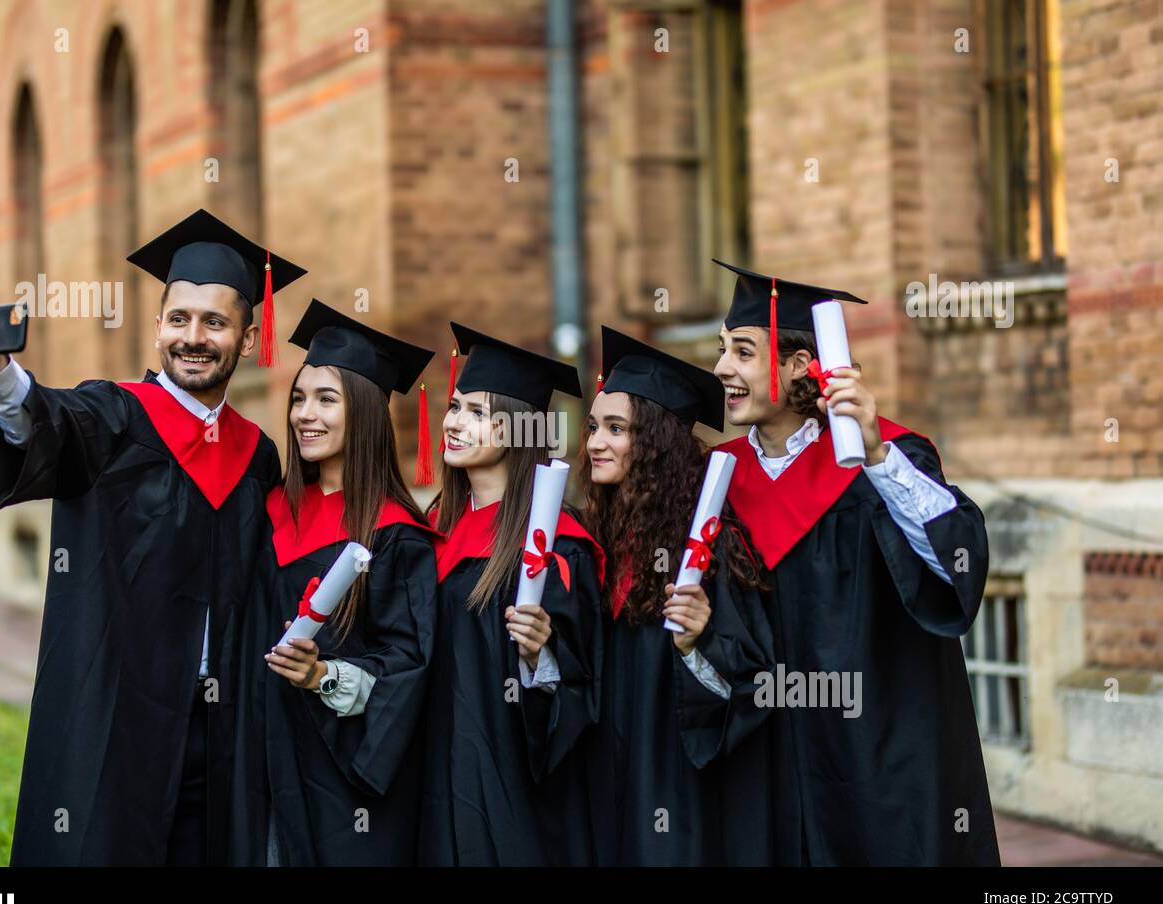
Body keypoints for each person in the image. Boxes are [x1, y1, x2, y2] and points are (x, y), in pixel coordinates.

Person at [0, 208, 304, 865]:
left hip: (219, 728)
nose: (193, 337)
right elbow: (51, 420)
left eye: (216, 323)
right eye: (179, 319)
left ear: (246, 340)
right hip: (119, 723)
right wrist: (1, 375)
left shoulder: (257, 458)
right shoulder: (115, 418)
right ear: (160, 325)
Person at [710, 259, 999, 865]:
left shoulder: (884, 459)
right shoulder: (721, 483)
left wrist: (877, 457)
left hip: (876, 756)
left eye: (741, 351)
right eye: (722, 350)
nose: (721, 369)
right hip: (769, 762)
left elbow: (955, 574)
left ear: (796, 366)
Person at [229, 301, 440, 866]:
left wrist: (324, 676)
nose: (304, 414)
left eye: (326, 400)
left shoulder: (396, 536)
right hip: (260, 752)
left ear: (366, 413)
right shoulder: (269, 509)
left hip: (339, 778)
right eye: (298, 398)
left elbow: (410, 663)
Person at [580, 326, 775, 865]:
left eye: (616, 429)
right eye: (594, 426)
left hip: (676, 783)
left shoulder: (710, 546)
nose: (596, 442)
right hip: (605, 778)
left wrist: (698, 640)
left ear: (656, 442)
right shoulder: (594, 541)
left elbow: (753, 682)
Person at [419, 323, 606, 866]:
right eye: (455, 408)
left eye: (479, 413)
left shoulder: (557, 547)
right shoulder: (431, 536)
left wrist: (541, 654)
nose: (455, 423)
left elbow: (583, 683)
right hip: (435, 781)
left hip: (516, 787)